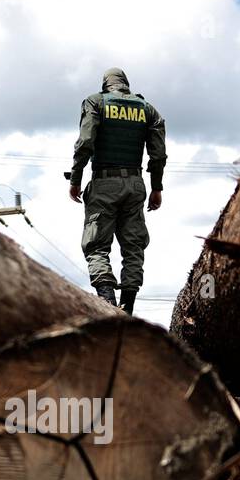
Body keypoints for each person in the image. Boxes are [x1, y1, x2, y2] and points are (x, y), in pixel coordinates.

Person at [68, 67, 166, 316]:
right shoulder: (147, 109)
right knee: (133, 247)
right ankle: (129, 307)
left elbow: (85, 142)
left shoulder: (95, 102)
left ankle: (108, 304)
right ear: (126, 84)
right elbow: (158, 154)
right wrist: (156, 188)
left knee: (97, 246)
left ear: (106, 85)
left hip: (104, 183)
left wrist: (76, 179)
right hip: (135, 183)